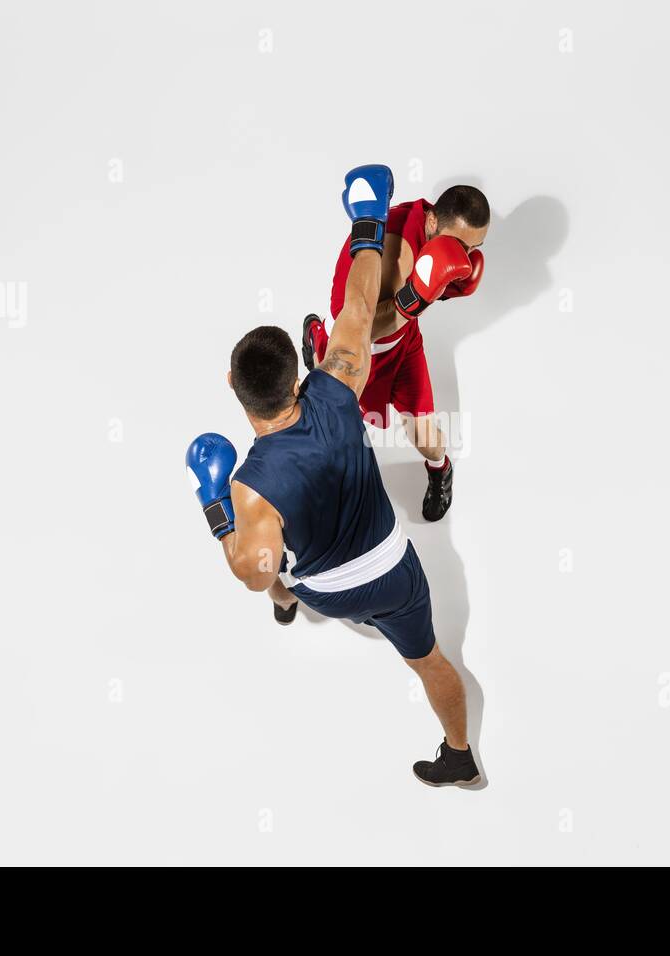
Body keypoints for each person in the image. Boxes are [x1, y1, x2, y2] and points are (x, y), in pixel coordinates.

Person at [186, 165, 480, 787]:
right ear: (299, 376)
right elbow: (356, 303)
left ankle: (290, 608)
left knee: (281, 577)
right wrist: (368, 225)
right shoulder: (339, 382)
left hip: (330, 589)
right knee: (430, 660)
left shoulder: (249, 488)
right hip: (398, 571)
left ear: (233, 390)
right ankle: (460, 755)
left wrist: (215, 509)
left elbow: (251, 570)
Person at [302, 184, 490, 521]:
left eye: (474, 248)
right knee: (335, 439)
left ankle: (440, 470)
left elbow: (433, 280)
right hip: (360, 345)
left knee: (425, 435)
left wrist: (433, 291)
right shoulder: (394, 251)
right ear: (432, 220)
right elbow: (363, 329)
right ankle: (319, 339)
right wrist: (417, 296)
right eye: (460, 246)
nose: (465, 258)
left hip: (403, 341)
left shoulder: (434, 234)